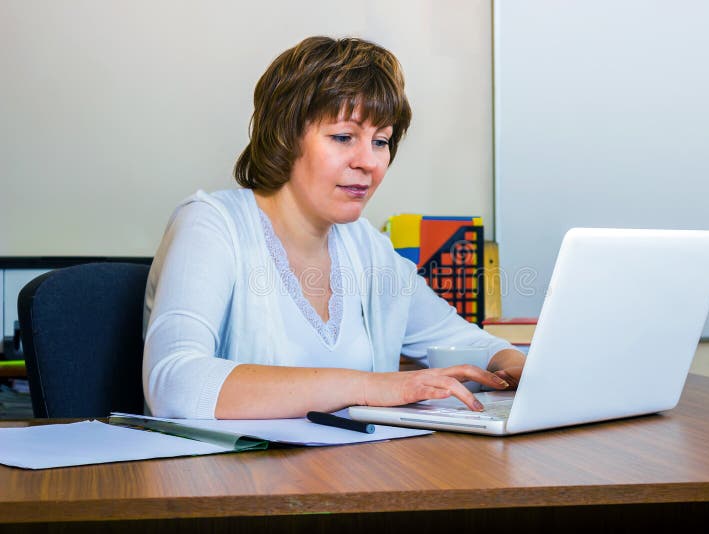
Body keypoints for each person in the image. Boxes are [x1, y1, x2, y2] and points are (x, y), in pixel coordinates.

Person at [143, 36, 526, 419]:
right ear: (285, 136)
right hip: (230, 478)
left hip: (349, 474)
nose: (368, 162)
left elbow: (460, 340)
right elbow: (175, 384)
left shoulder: (366, 246)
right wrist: (368, 387)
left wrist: (512, 363)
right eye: (343, 137)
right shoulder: (211, 225)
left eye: (381, 141)